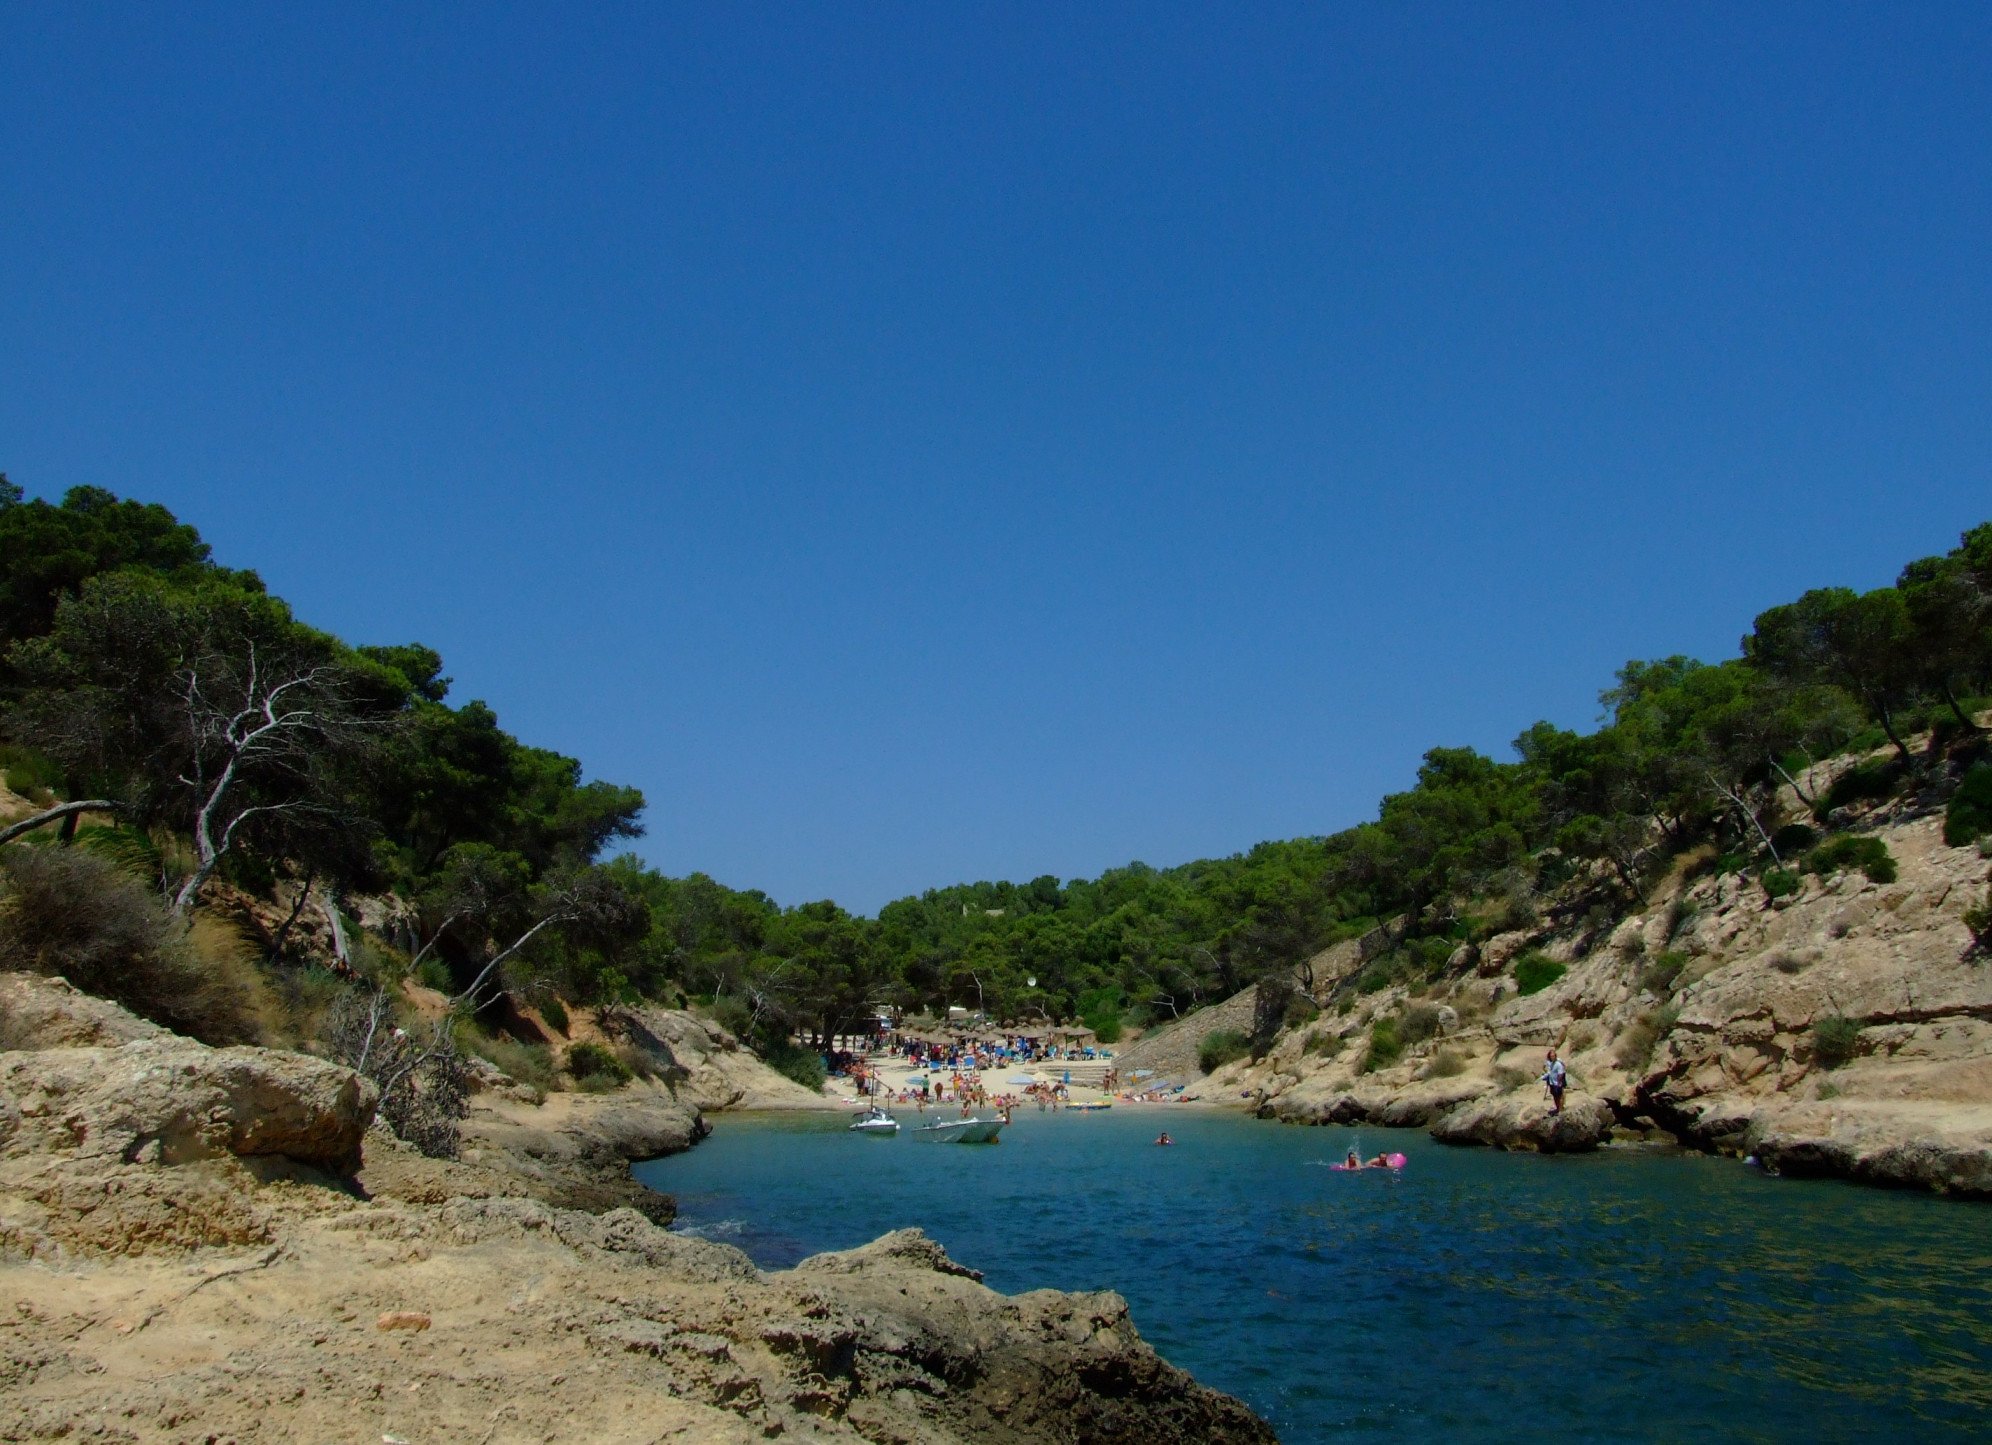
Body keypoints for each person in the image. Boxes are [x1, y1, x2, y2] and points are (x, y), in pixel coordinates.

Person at [1540, 1048, 1567, 1115]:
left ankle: (1560, 1109)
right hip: (1552, 1081)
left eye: (1553, 1056)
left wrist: (1559, 1081)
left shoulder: (1558, 1063)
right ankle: (1557, 1108)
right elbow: (1547, 1069)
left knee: (1560, 1095)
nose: (1552, 1057)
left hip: (1558, 1081)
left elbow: (1560, 1073)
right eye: (1551, 1056)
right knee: (1554, 1095)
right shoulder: (1550, 1063)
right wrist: (1546, 1075)